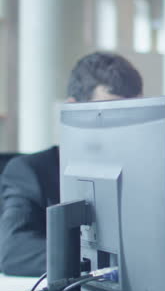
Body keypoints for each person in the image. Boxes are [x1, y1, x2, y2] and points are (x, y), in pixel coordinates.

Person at [0, 52, 143, 276]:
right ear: (73, 110)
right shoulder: (30, 171)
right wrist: (104, 264)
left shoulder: (143, 172)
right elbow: (14, 250)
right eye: (109, 111)